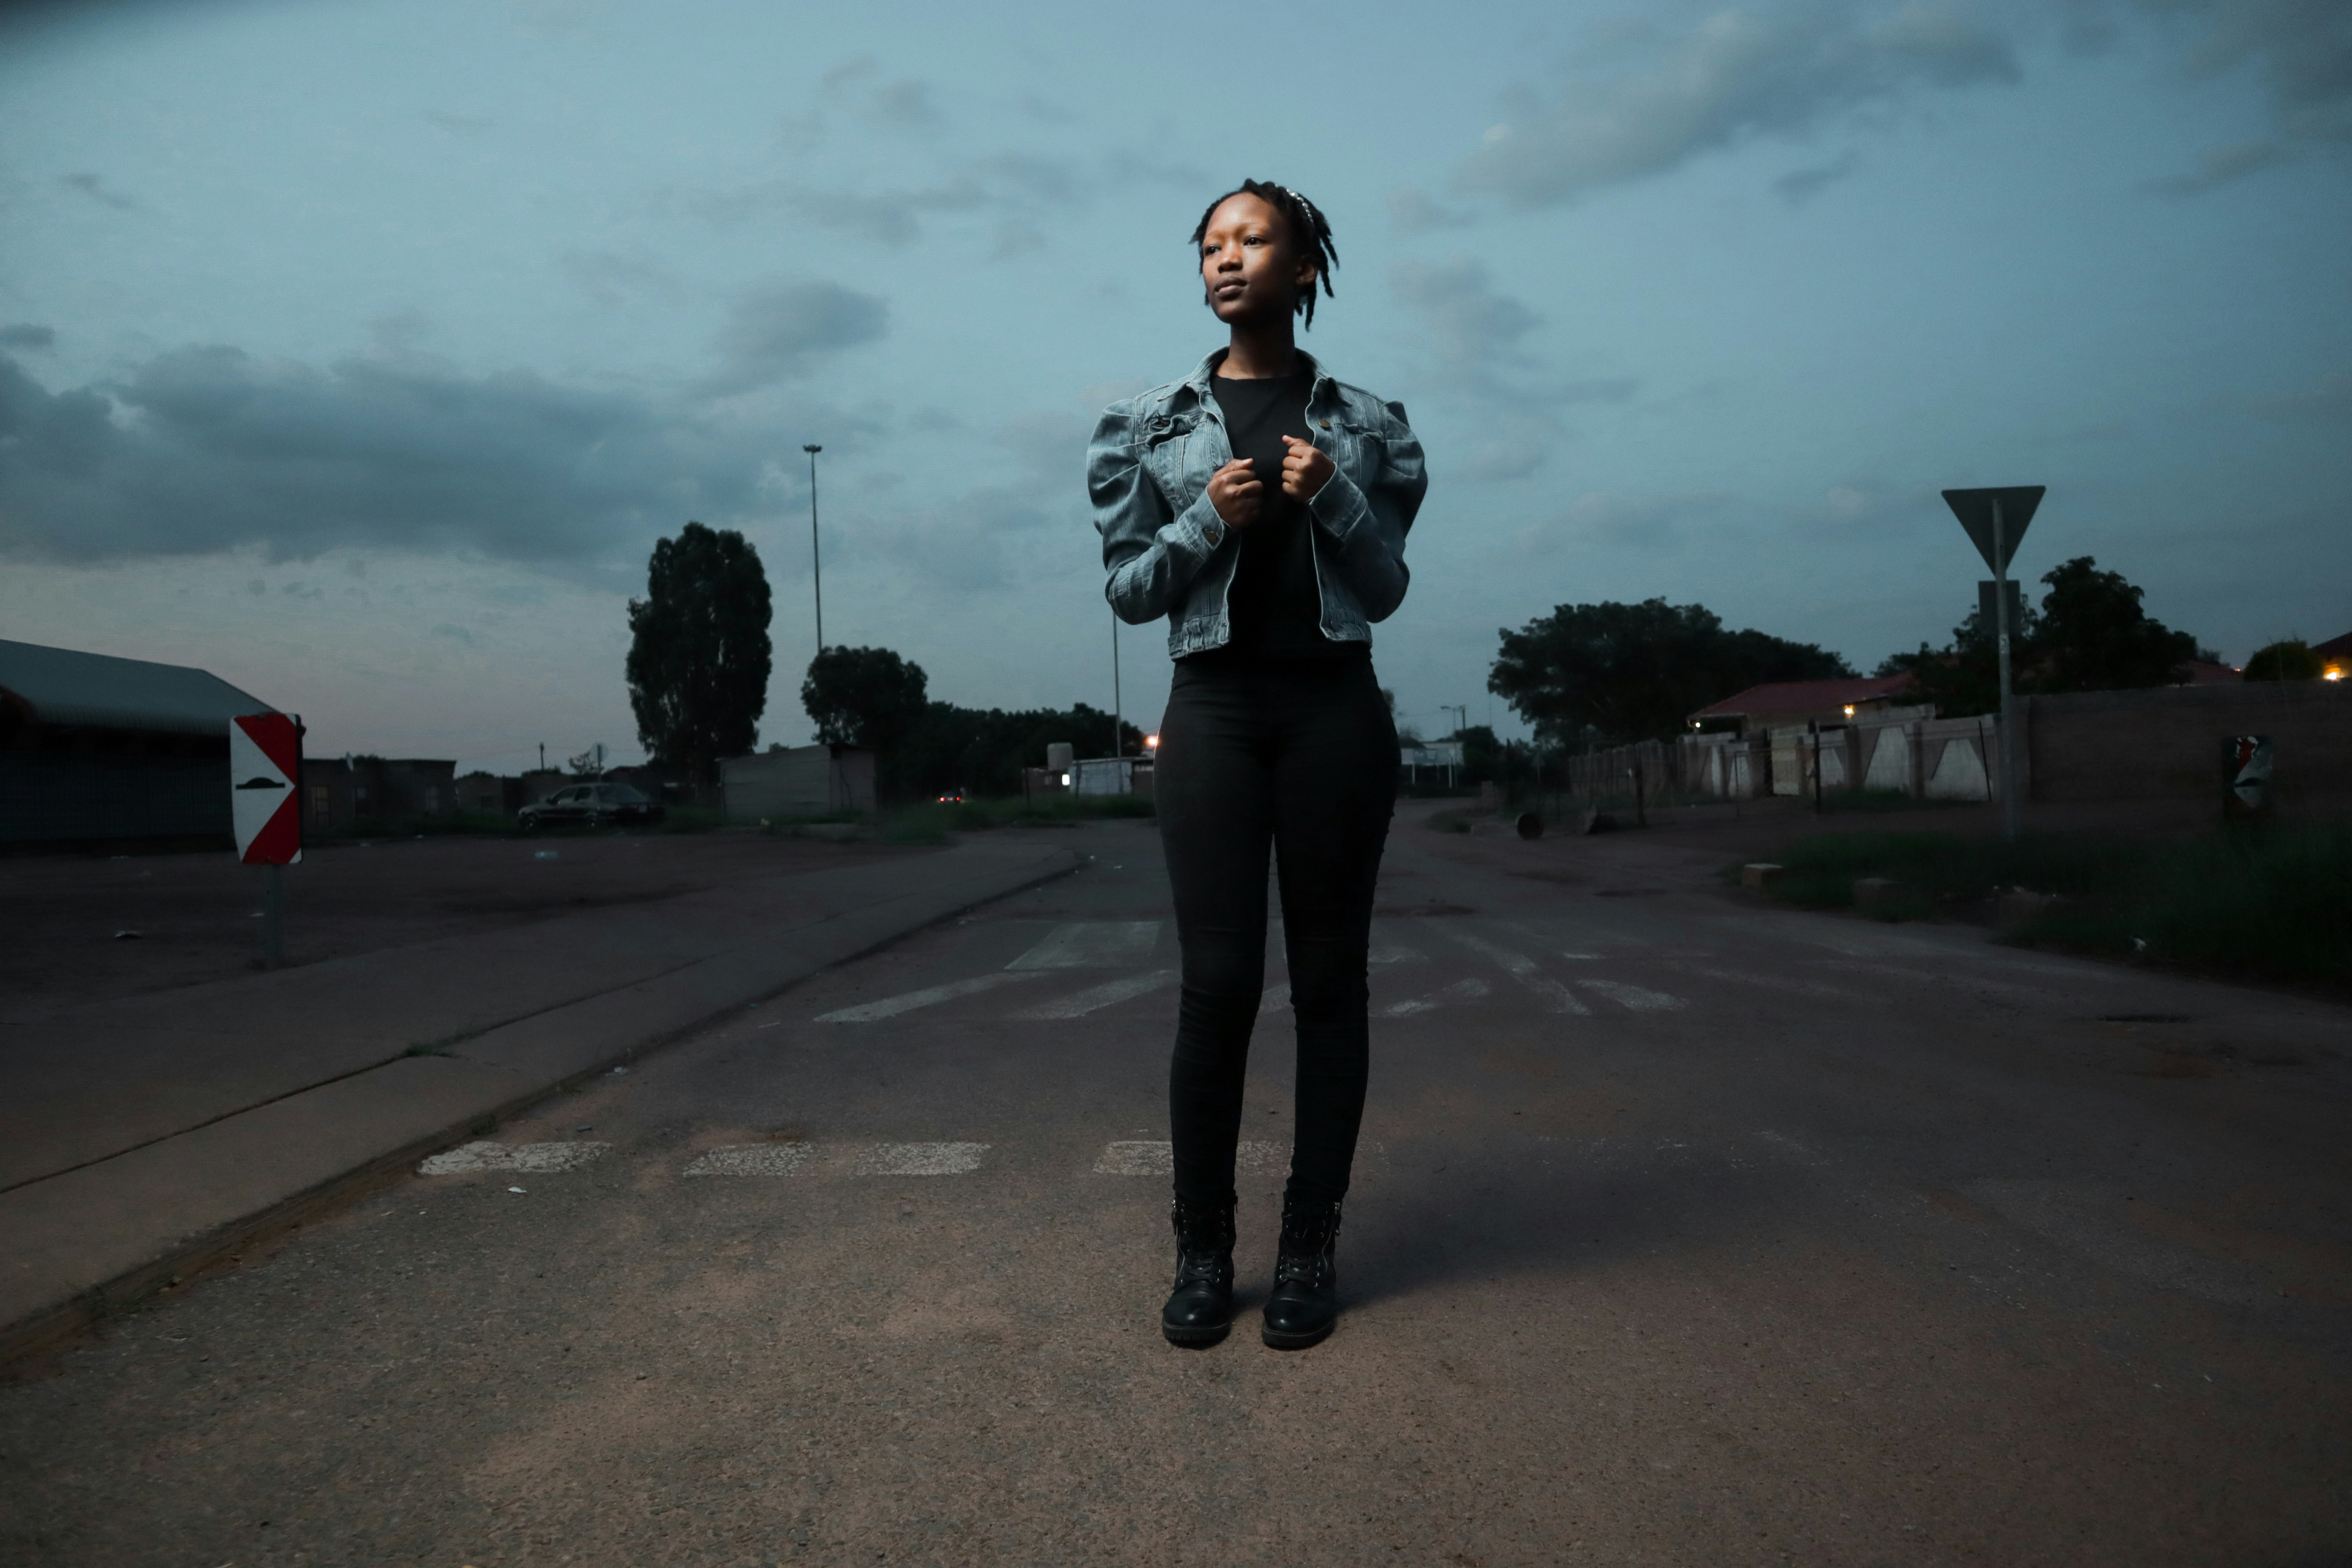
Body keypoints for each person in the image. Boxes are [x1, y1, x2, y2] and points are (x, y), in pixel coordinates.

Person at [1086, 180, 1427, 1349]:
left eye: (1255, 240)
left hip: (1336, 715)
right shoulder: (1148, 426)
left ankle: (1308, 1250)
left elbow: (1384, 587)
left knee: (1330, 989)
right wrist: (1204, 525)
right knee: (1218, 988)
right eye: (1213, 245)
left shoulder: (1371, 424)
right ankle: (1203, 1249)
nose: (1229, 260)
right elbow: (1131, 594)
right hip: (1215, 716)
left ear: (1304, 264)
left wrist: (1330, 497)